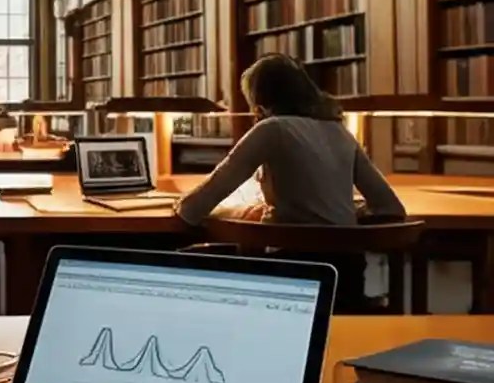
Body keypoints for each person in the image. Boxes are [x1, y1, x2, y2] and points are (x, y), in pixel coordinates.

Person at [174, 55, 405, 312]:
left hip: (288, 277)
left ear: (259, 102)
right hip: (347, 277)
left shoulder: (272, 129)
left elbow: (196, 207)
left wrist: (183, 204)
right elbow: (390, 208)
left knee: (191, 259)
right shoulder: (338, 131)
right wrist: (342, 210)